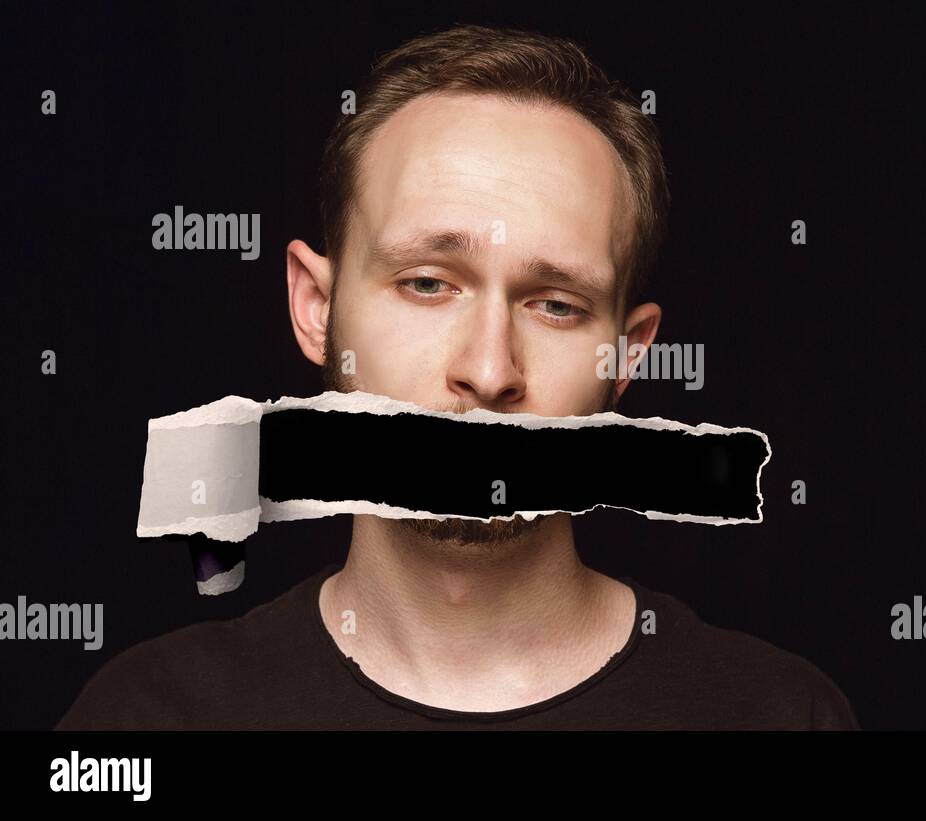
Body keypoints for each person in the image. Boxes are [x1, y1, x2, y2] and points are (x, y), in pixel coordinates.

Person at [58, 24, 858, 730]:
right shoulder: (146, 718)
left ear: (629, 353)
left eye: (554, 304)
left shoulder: (779, 714)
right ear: (315, 308)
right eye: (429, 283)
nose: (487, 370)